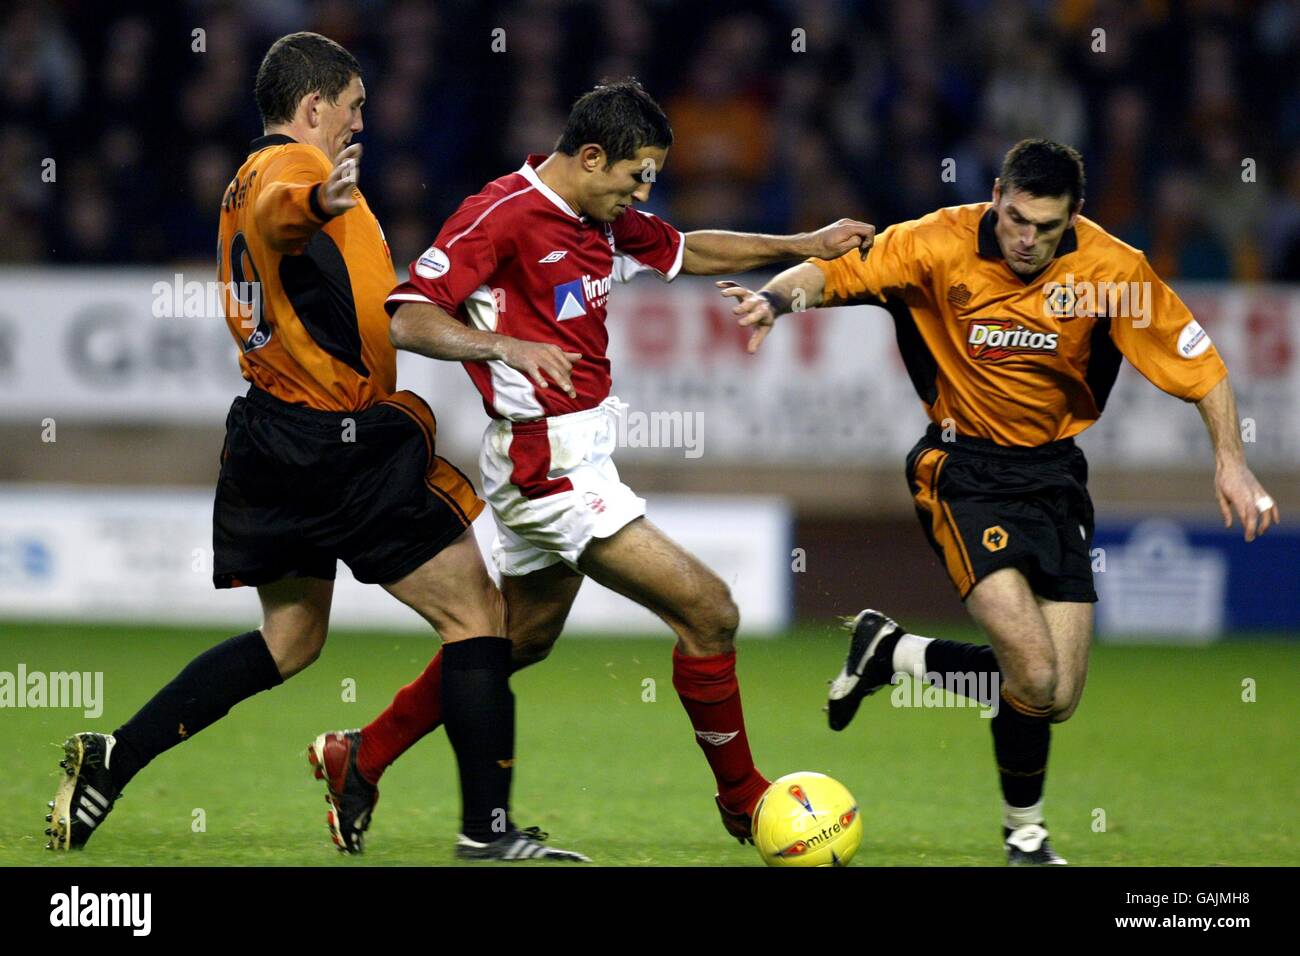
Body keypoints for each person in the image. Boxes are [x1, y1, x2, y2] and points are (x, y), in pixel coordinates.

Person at [46, 31, 585, 864]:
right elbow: (282, 212)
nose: (361, 122)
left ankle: (116, 758)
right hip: (339, 441)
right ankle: (488, 833)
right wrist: (321, 204)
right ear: (312, 108)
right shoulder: (289, 174)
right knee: (478, 618)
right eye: (354, 107)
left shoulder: (243, 178)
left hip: (274, 437)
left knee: (291, 641)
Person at [309, 78, 875, 847]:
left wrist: (801, 245)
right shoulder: (501, 214)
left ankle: (360, 756)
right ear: (592, 155)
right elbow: (409, 316)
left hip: (579, 457)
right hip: (546, 464)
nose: (643, 191)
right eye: (637, 175)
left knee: (515, 640)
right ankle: (742, 799)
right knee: (710, 611)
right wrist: (503, 344)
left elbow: (687, 248)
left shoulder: (602, 216)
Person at [719, 138, 1280, 865]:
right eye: (1016, 218)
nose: (1027, 239)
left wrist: (1231, 463)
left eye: (1046, 228)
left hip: (1054, 477)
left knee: (1057, 695)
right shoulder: (935, 243)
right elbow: (829, 274)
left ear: (1073, 217)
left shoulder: (1113, 270)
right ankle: (1026, 836)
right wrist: (771, 299)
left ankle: (898, 654)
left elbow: (1202, 366)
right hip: (962, 470)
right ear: (995, 196)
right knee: (1034, 673)